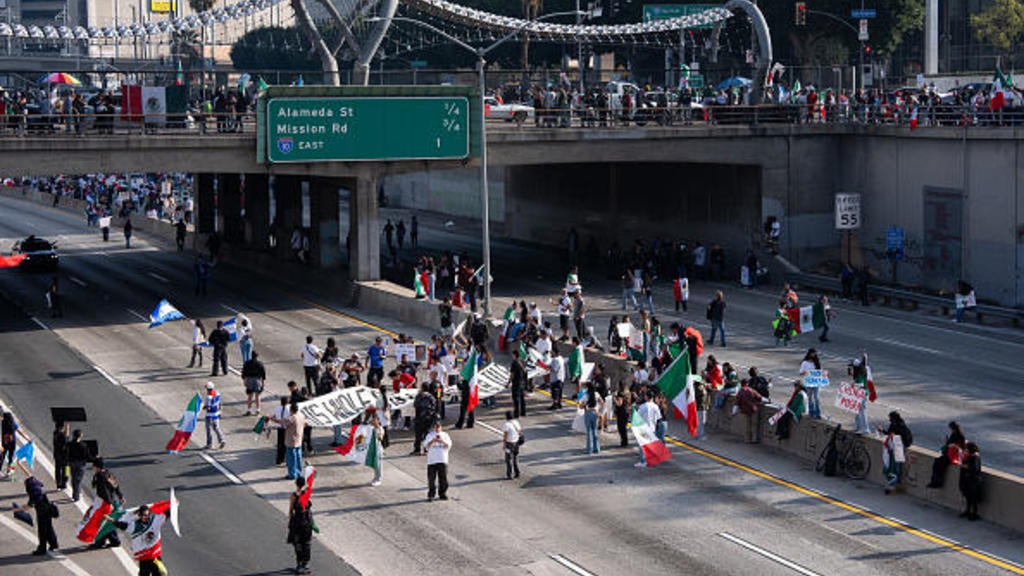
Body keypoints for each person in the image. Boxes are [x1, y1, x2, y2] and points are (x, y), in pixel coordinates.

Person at [107, 504, 171, 576]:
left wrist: (173, 504)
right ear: (140, 516)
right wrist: (112, 520)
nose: (146, 517)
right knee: (144, 573)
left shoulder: (155, 520)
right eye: (144, 515)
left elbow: (167, 513)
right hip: (144, 557)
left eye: (147, 515)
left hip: (154, 554)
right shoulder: (135, 526)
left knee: (161, 572)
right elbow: (123, 525)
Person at [14, 476, 59, 555]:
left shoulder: (34, 492)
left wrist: (17, 510)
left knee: (42, 532)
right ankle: (54, 544)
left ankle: (42, 549)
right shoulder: (39, 489)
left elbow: (29, 506)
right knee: (49, 529)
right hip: (48, 511)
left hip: (42, 513)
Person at [89, 457, 125, 549]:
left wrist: (108, 504)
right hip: (111, 501)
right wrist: (120, 496)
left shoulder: (100, 476)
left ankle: (101, 542)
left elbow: (104, 492)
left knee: (101, 522)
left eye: (93, 466)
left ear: (96, 467)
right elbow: (115, 485)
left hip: (105, 502)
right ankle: (114, 540)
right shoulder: (108, 473)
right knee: (107, 522)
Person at [879, 411, 912, 494]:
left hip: (899, 446)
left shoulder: (900, 425)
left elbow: (899, 437)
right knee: (895, 466)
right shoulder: (895, 424)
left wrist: (893, 436)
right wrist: (882, 430)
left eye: (890, 418)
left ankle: (893, 484)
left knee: (897, 467)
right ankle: (894, 483)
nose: (889, 419)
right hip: (896, 445)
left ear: (894, 418)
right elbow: (889, 432)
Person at [287, 476, 314, 574]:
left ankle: (299, 564)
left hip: (297, 523)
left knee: (298, 543)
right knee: (306, 543)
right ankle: (305, 564)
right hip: (306, 523)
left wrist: (289, 522)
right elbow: (311, 481)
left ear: (296, 484)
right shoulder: (307, 493)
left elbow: (290, 511)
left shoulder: (293, 496)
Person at [928, 421, 966, 489]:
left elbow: (962, 448)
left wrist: (954, 445)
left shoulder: (961, 436)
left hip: (954, 456)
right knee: (937, 462)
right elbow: (949, 444)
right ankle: (934, 480)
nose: (951, 430)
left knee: (941, 465)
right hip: (949, 453)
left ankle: (938, 482)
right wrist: (947, 441)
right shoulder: (953, 434)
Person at [424, 421, 451, 501]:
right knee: (431, 479)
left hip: (442, 460)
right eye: (435, 427)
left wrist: (441, 441)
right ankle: (431, 494)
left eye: (438, 427)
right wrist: (433, 440)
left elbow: (448, 445)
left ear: (441, 427)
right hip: (432, 461)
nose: (437, 428)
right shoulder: (429, 435)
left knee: (443, 478)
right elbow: (426, 447)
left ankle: (442, 493)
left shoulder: (445, 435)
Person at [635, 391, 661, 467]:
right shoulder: (656, 406)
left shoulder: (643, 406)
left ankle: (643, 461)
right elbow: (659, 418)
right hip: (652, 428)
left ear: (646, 397)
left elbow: (638, 417)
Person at [282, 398, 306, 480]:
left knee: (291, 459)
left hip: (291, 441)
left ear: (291, 410)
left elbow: (283, 423)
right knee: (298, 457)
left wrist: (272, 419)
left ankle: (292, 474)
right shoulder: (301, 415)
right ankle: (298, 472)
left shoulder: (292, 418)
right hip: (299, 439)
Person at [735, 379, 764, 443]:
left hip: (745, 410)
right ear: (747, 383)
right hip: (753, 408)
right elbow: (759, 397)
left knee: (747, 425)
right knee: (754, 424)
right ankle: (754, 439)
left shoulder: (740, 392)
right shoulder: (752, 390)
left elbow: (737, 401)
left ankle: (747, 439)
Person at [959, 442, 982, 521]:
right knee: (968, 497)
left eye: (967, 449)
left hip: (974, 480)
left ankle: (974, 513)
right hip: (968, 480)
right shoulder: (969, 456)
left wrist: (965, 466)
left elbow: (974, 468)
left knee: (973, 498)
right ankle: (968, 511)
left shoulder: (975, 457)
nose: (965, 450)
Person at [67, 429, 92, 502]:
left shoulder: (70, 444)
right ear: (80, 436)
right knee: (78, 480)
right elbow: (87, 456)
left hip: (72, 463)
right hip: (81, 465)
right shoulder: (83, 445)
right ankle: (76, 495)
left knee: (73, 478)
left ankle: (75, 492)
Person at [412, 384, 436, 455]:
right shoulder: (431, 397)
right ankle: (426, 449)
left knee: (418, 434)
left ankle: (417, 449)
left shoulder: (419, 396)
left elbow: (415, 405)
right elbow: (434, 406)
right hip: (428, 418)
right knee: (427, 434)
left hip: (419, 417)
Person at [799, 348, 823, 419]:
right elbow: (801, 372)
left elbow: (819, 372)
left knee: (816, 398)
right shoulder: (805, 363)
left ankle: (818, 413)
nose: (813, 355)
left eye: (814, 353)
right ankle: (811, 412)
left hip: (816, 383)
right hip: (808, 382)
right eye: (812, 353)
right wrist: (806, 372)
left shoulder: (816, 363)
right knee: (810, 398)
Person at [241, 351, 266, 416]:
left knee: (250, 396)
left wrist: (244, 380)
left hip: (249, 380)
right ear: (257, 356)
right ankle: (258, 409)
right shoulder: (260, 364)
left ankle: (249, 410)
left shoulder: (247, 363)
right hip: (257, 380)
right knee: (257, 395)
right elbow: (263, 374)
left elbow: (244, 372)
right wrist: (263, 382)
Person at [581, 381, 603, 454]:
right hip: (595, 413)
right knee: (595, 431)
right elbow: (601, 402)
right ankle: (596, 448)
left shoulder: (585, 395)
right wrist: (599, 410)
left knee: (589, 431)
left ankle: (589, 449)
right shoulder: (596, 394)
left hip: (588, 412)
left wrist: (583, 406)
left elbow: (581, 405)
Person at [203, 381, 225, 450]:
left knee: (208, 429)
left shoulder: (208, 397)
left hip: (209, 415)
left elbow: (209, 407)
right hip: (216, 414)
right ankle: (222, 440)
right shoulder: (217, 394)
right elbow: (219, 403)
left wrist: (204, 407)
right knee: (216, 428)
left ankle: (209, 444)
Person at [502, 411, 523, 480]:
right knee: (515, 458)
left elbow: (505, 435)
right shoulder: (516, 422)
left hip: (509, 443)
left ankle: (509, 474)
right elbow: (519, 431)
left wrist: (504, 444)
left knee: (508, 459)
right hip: (516, 442)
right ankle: (517, 472)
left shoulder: (506, 424)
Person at [509, 349, 528, 418]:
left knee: (516, 398)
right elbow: (526, 372)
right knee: (522, 398)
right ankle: (523, 412)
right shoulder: (522, 361)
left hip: (516, 383)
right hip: (522, 382)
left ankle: (516, 413)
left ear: (514, 355)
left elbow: (512, 375)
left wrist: (508, 383)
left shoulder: (514, 363)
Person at [613, 381, 632, 447]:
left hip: (621, 412)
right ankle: (625, 441)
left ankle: (624, 441)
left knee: (621, 428)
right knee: (624, 427)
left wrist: (614, 399)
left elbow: (619, 404)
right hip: (625, 411)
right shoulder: (628, 393)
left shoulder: (620, 393)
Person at [52, 420, 69, 490]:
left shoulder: (55, 433)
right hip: (64, 456)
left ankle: (58, 482)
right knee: (66, 469)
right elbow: (66, 439)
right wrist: (67, 428)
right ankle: (64, 482)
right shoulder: (62, 436)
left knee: (58, 469)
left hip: (57, 454)